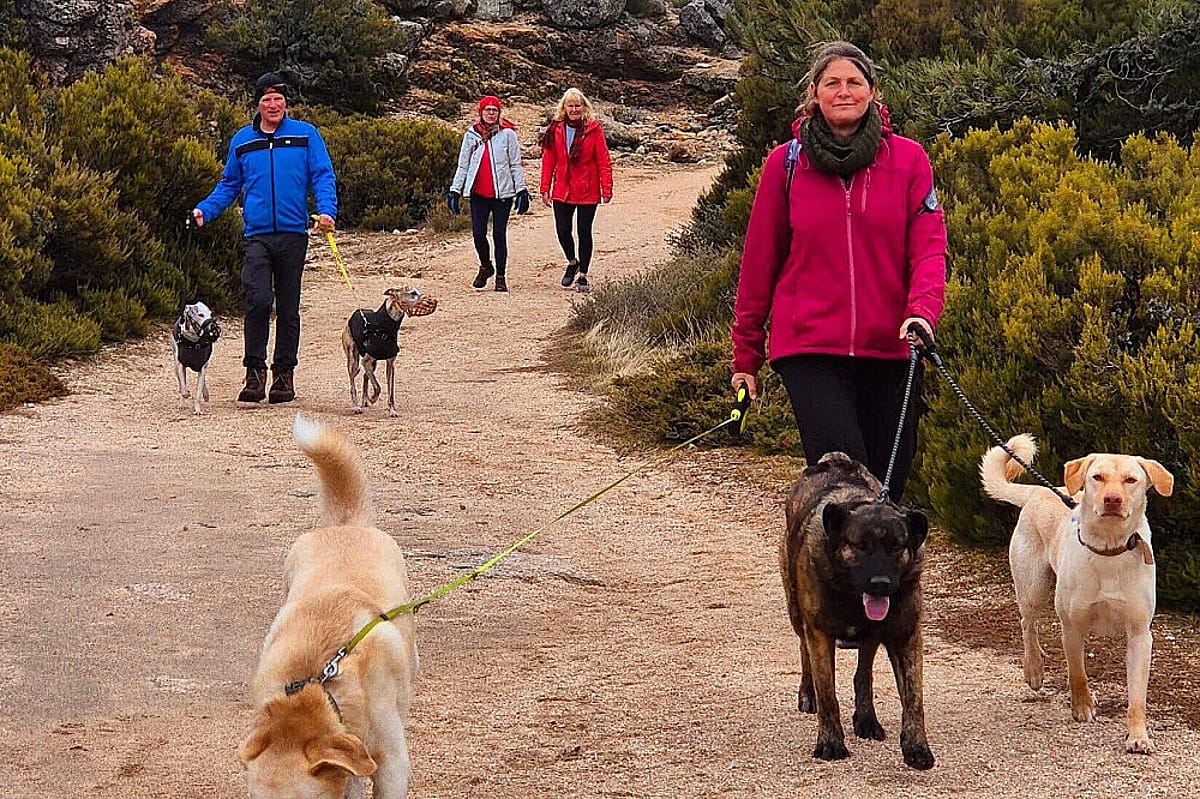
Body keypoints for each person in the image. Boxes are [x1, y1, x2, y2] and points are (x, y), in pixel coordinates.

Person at [730, 41, 947, 502]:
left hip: (893, 346)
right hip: (809, 347)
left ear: (872, 91)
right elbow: (759, 262)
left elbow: (929, 249)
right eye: (832, 83)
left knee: (888, 488)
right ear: (814, 93)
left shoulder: (909, 160)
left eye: (854, 82)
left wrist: (922, 312)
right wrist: (746, 356)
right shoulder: (786, 164)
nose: (843, 91)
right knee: (845, 486)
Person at [192, 72, 337, 405]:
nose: (273, 105)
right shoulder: (243, 140)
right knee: (258, 301)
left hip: (293, 234)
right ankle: (254, 373)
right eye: (267, 99)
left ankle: (284, 375)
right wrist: (204, 211)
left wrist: (327, 211)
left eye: (279, 99)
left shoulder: (305, 135)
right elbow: (229, 184)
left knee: (288, 308)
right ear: (257, 104)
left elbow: (322, 176)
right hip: (257, 236)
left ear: (286, 103)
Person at [448, 95, 530, 293]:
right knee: (478, 234)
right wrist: (455, 190)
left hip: (502, 194)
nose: (491, 113)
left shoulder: (508, 134)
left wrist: (521, 189)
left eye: (495, 110)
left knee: (499, 235)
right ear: (481, 112)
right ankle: (486, 266)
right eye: (488, 110)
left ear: (499, 113)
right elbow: (463, 165)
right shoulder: (472, 135)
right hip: (478, 193)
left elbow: (515, 164)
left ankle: (501, 277)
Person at [539, 87, 613, 293]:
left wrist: (606, 187)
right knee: (562, 230)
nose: (574, 109)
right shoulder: (555, 129)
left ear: (583, 107)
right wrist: (545, 187)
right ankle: (572, 262)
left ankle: (583, 275)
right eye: (570, 106)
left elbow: (603, 160)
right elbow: (548, 160)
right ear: (564, 108)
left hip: (587, 188)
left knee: (584, 231)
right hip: (562, 187)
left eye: (577, 105)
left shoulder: (593, 129)